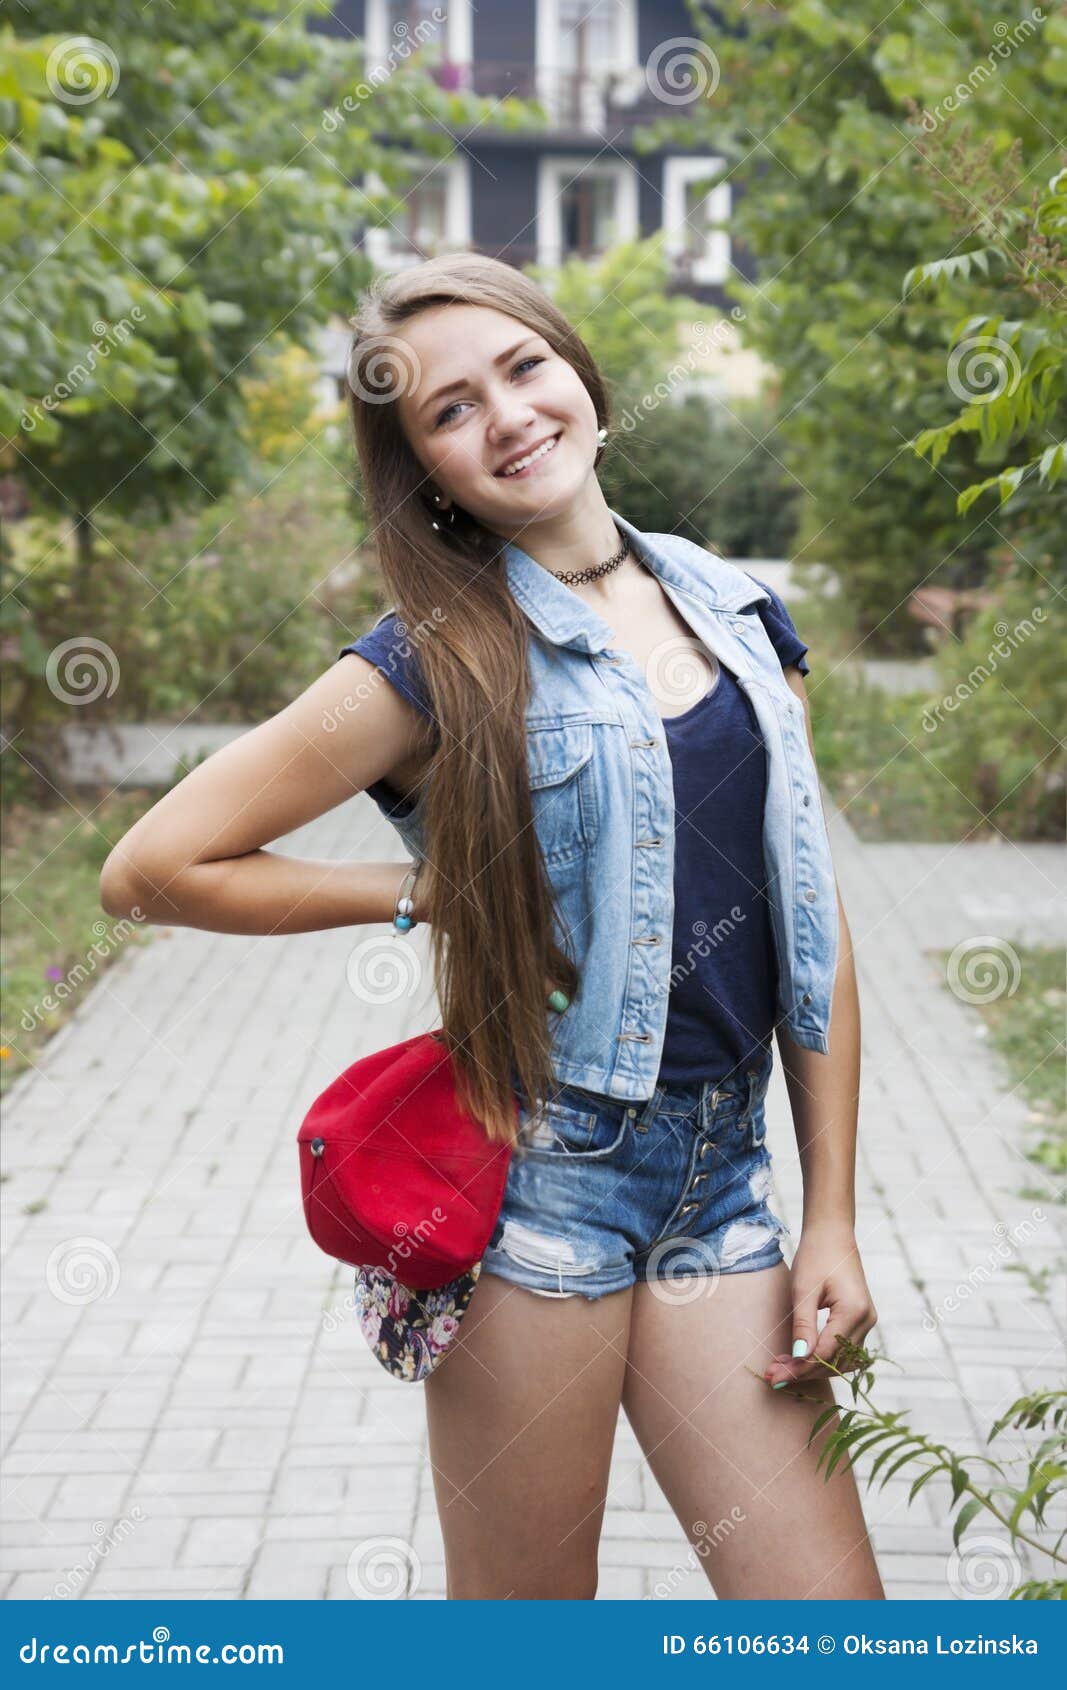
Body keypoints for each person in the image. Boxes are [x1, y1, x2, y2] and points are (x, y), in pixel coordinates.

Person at [100, 252, 883, 1602]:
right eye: (451, 410)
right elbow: (154, 863)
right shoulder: (430, 657)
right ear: (426, 469)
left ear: (578, 370)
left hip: (723, 1183)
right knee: (526, 1637)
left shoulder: (743, 612)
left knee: (832, 1627)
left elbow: (814, 933)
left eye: (522, 367)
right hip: (539, 1190)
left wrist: (835, 1215)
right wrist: (421, 890)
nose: (507, 415)